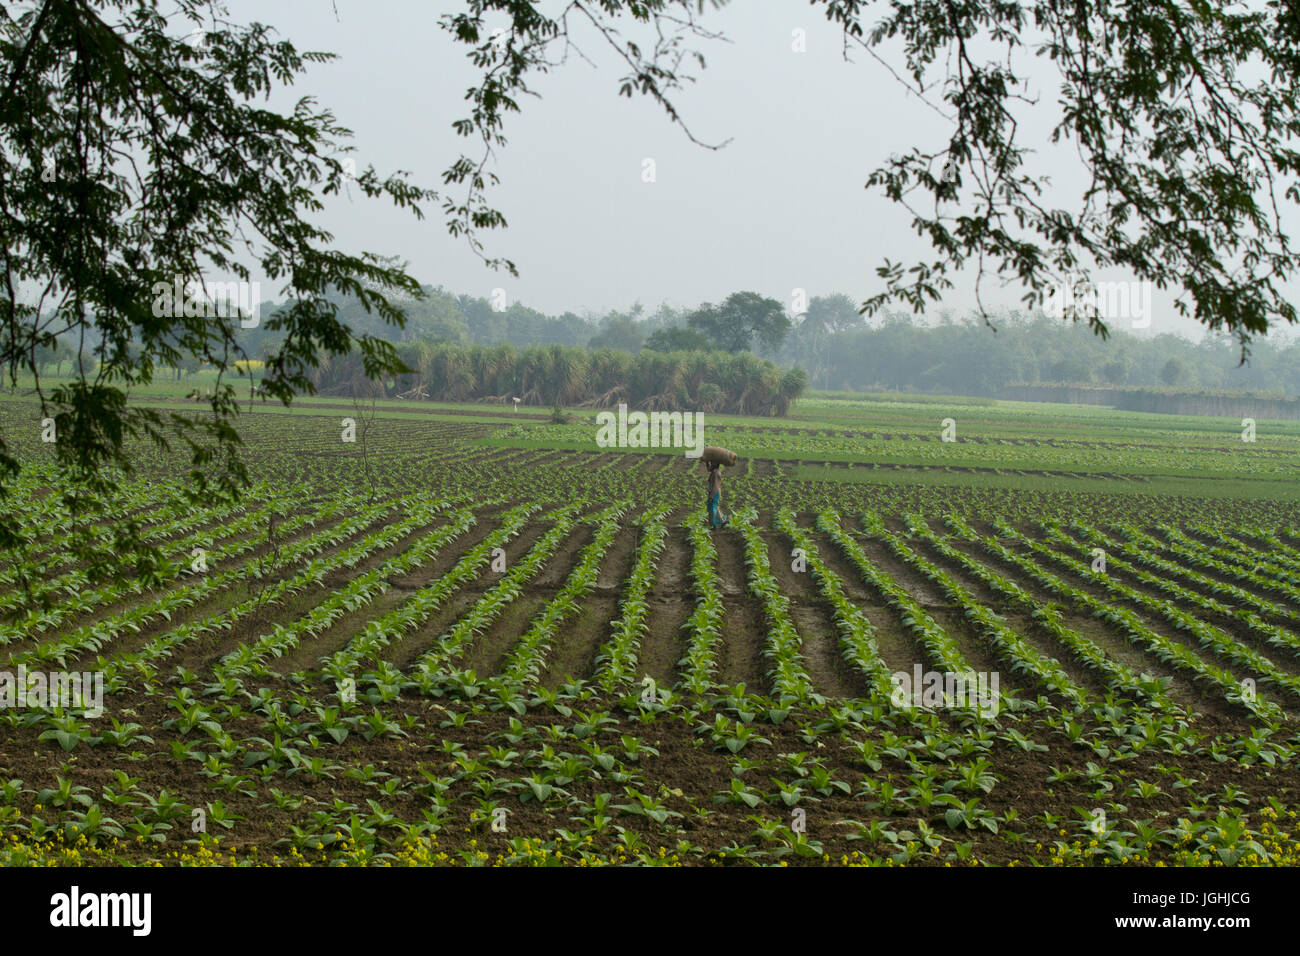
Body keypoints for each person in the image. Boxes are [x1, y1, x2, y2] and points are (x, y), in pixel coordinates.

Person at [706, 460, 727, 528]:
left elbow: (716, 486)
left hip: (715, 492)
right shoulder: (714, 471)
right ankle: (721, 520)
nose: (711, 464)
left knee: (712, 508)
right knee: (712, 507)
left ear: (716, 464)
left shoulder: (716, 473)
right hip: (713, 492)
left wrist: (712, 496)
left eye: (712, 463)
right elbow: (709, 469)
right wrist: (707, 462)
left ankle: (713, 524)